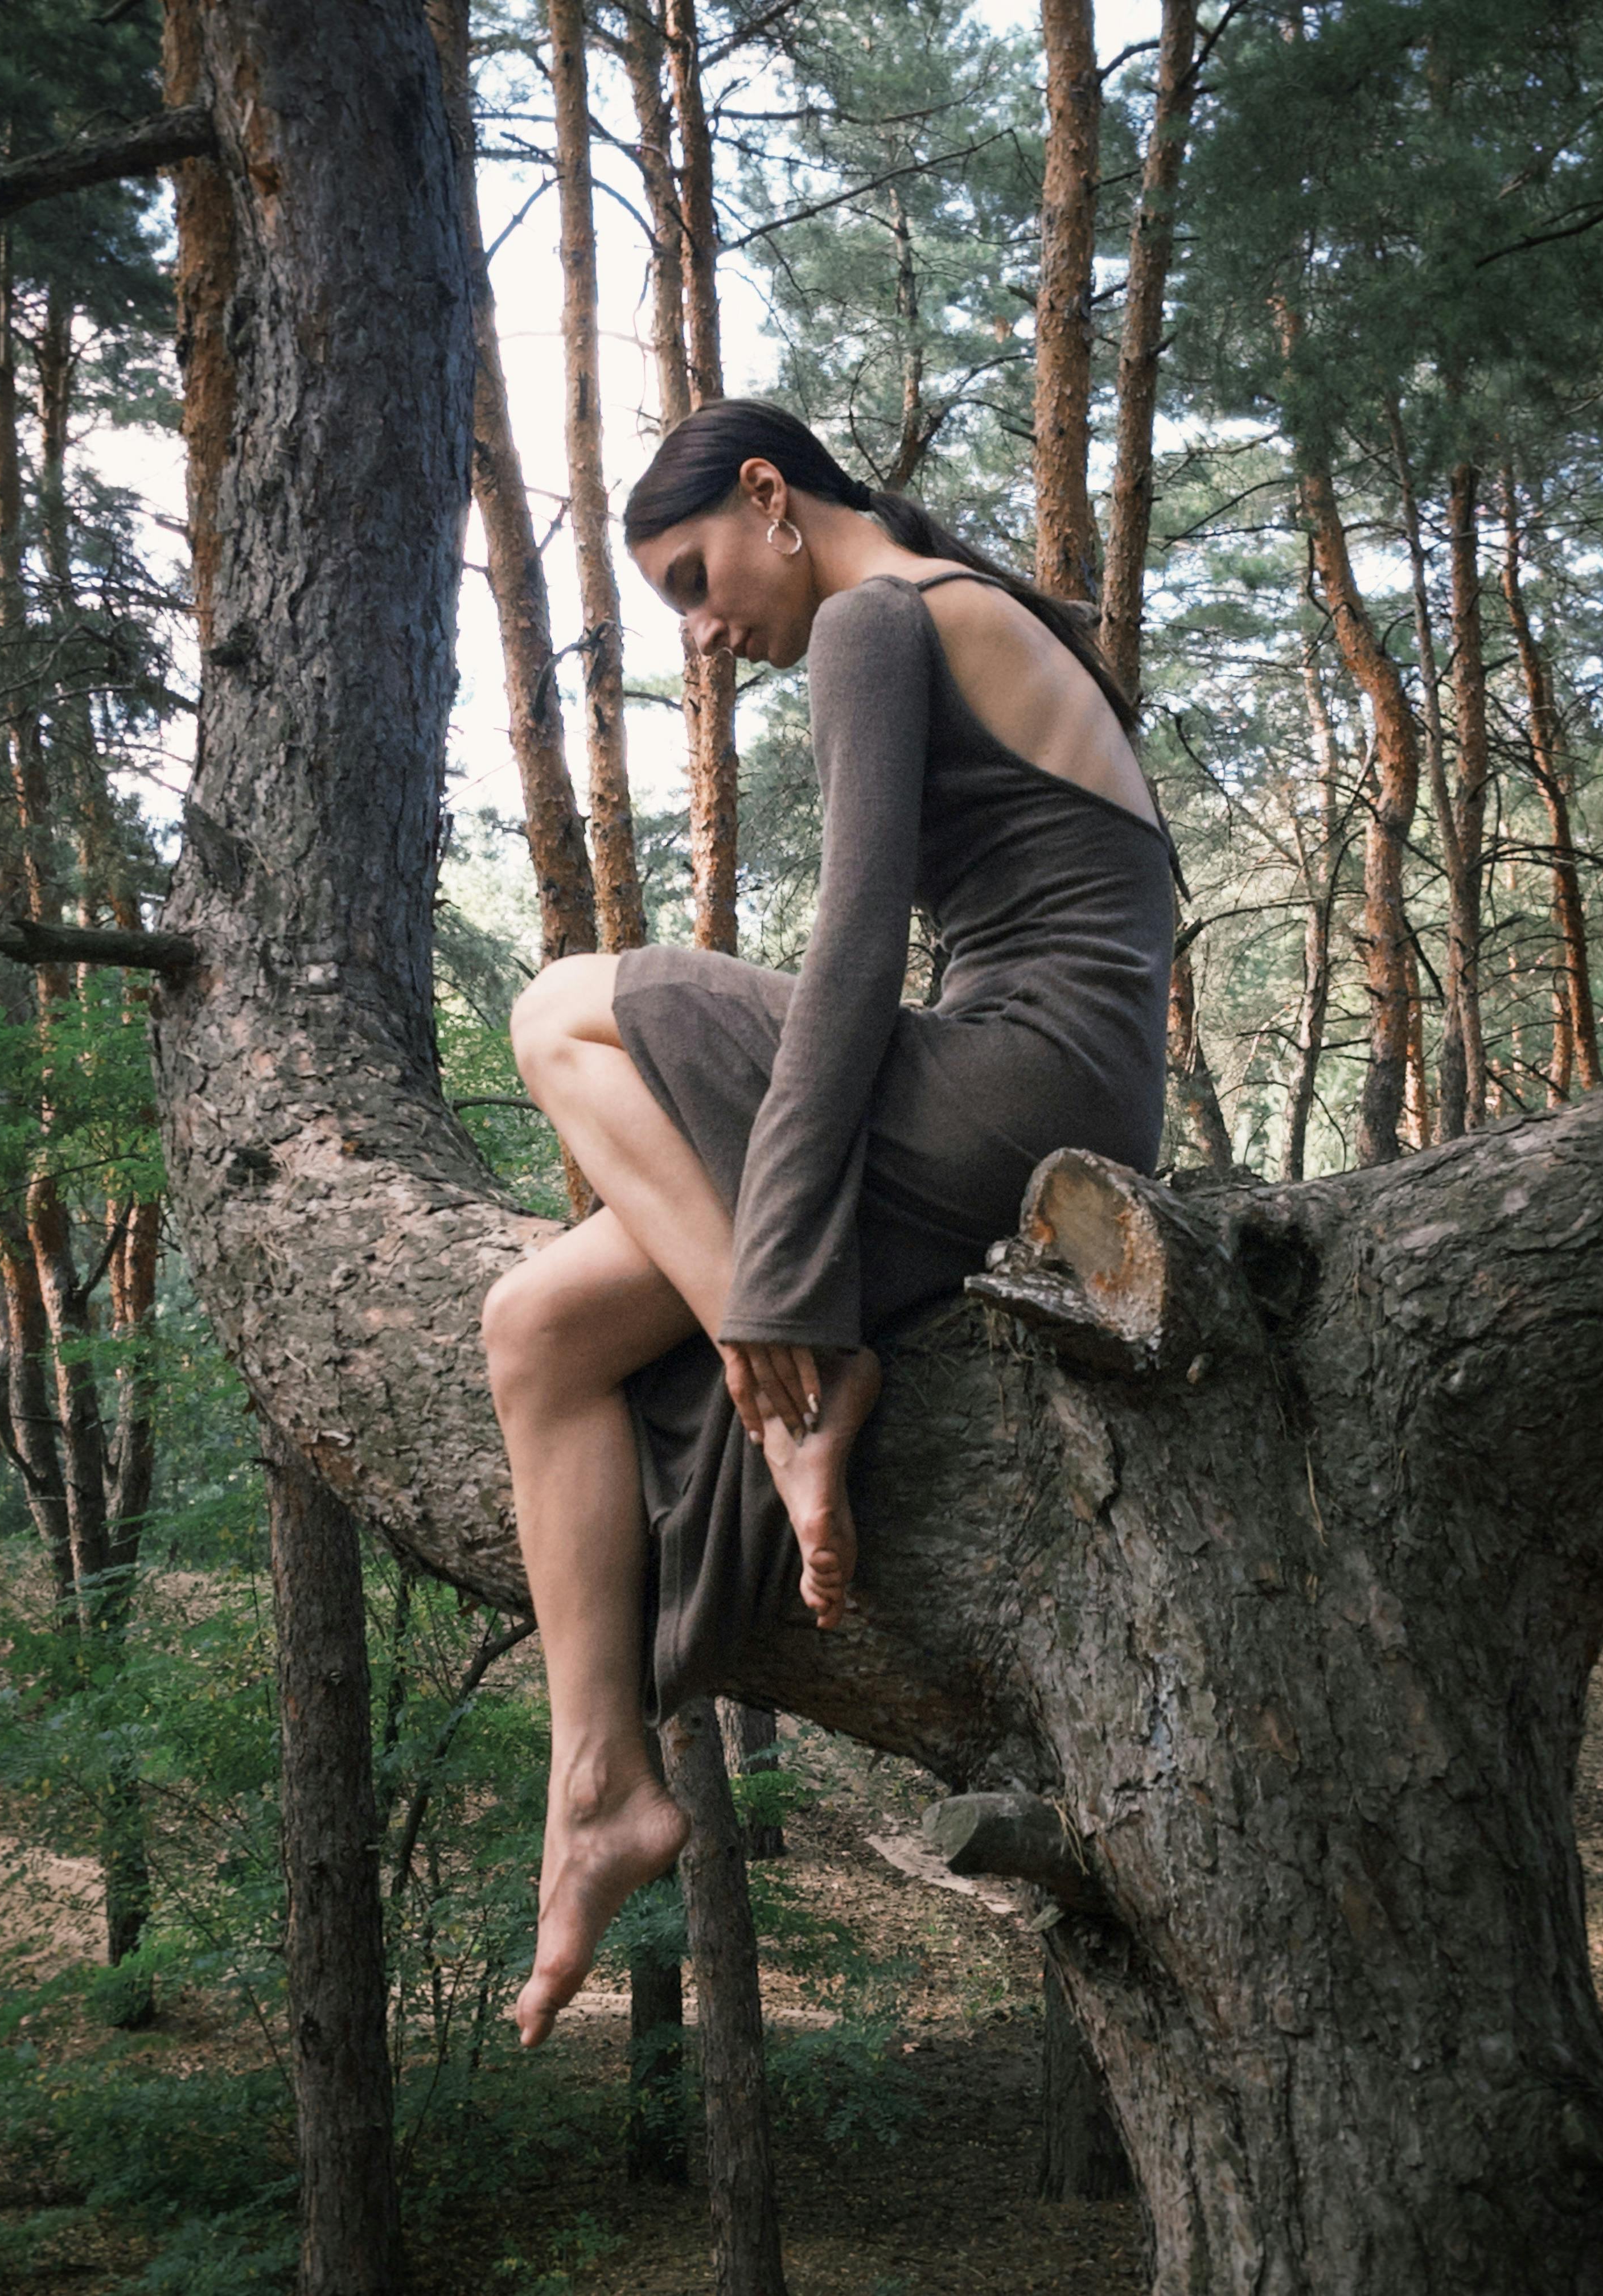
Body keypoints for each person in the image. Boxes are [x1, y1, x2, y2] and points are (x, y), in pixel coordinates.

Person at [479, 399, 1179, 2048]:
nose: (708, 634)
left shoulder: (886, 612)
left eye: (695, 580)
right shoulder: (952, 604)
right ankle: (599, 1783)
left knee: (558, 1012)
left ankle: (792, 1374)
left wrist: (780, 1295)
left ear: (773, 498)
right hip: (1041, 1106)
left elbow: (857, 959)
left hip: (1018, 1093)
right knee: (540, 1331)